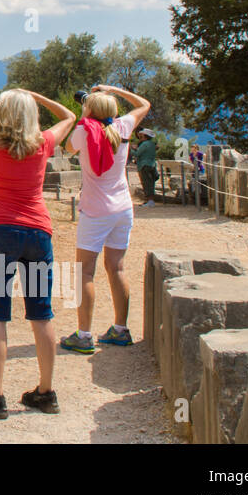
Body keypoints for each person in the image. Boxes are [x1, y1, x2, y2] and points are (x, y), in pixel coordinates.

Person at [0, 88, 75, 419]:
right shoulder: (43, 143)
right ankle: (46, 392)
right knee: (41, 312)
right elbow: (70, 117)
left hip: (1, 231)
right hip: (38, 232)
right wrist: (35, 97)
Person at [59, 84, 150, 354]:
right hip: (122, 208)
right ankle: (120, 329)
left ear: (89, 110)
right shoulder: (123, 127)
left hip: (95, 210)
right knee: (117, 268)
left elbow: (67, 148)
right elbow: (144, 104)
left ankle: (84, 335)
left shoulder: (83, 131)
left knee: (86, 272)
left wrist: (86, 116)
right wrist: (113, 90)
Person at [134, 129, 158, 207]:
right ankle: (150, 200)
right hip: (152, 165)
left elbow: (137, 153)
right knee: (151, 182)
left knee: (146, 182)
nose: (140, 136)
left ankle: (150, 201)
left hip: (144, 165)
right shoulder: (152, 144)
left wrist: (132, 149)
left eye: (141, 135)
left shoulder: (144, 144)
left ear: (145, 136)